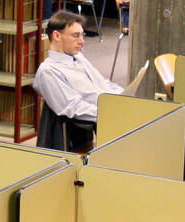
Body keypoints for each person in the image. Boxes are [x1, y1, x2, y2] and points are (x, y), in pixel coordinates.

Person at [33, 10, 123, 149]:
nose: (82, 41)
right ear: (57, 36)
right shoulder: (48, 71)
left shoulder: (78, 57)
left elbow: (102, 83)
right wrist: (108, 112)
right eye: (76, 36)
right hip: (100, 119)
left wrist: (123, 95)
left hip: (111, 109)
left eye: (82, 35)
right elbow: (74, 108)